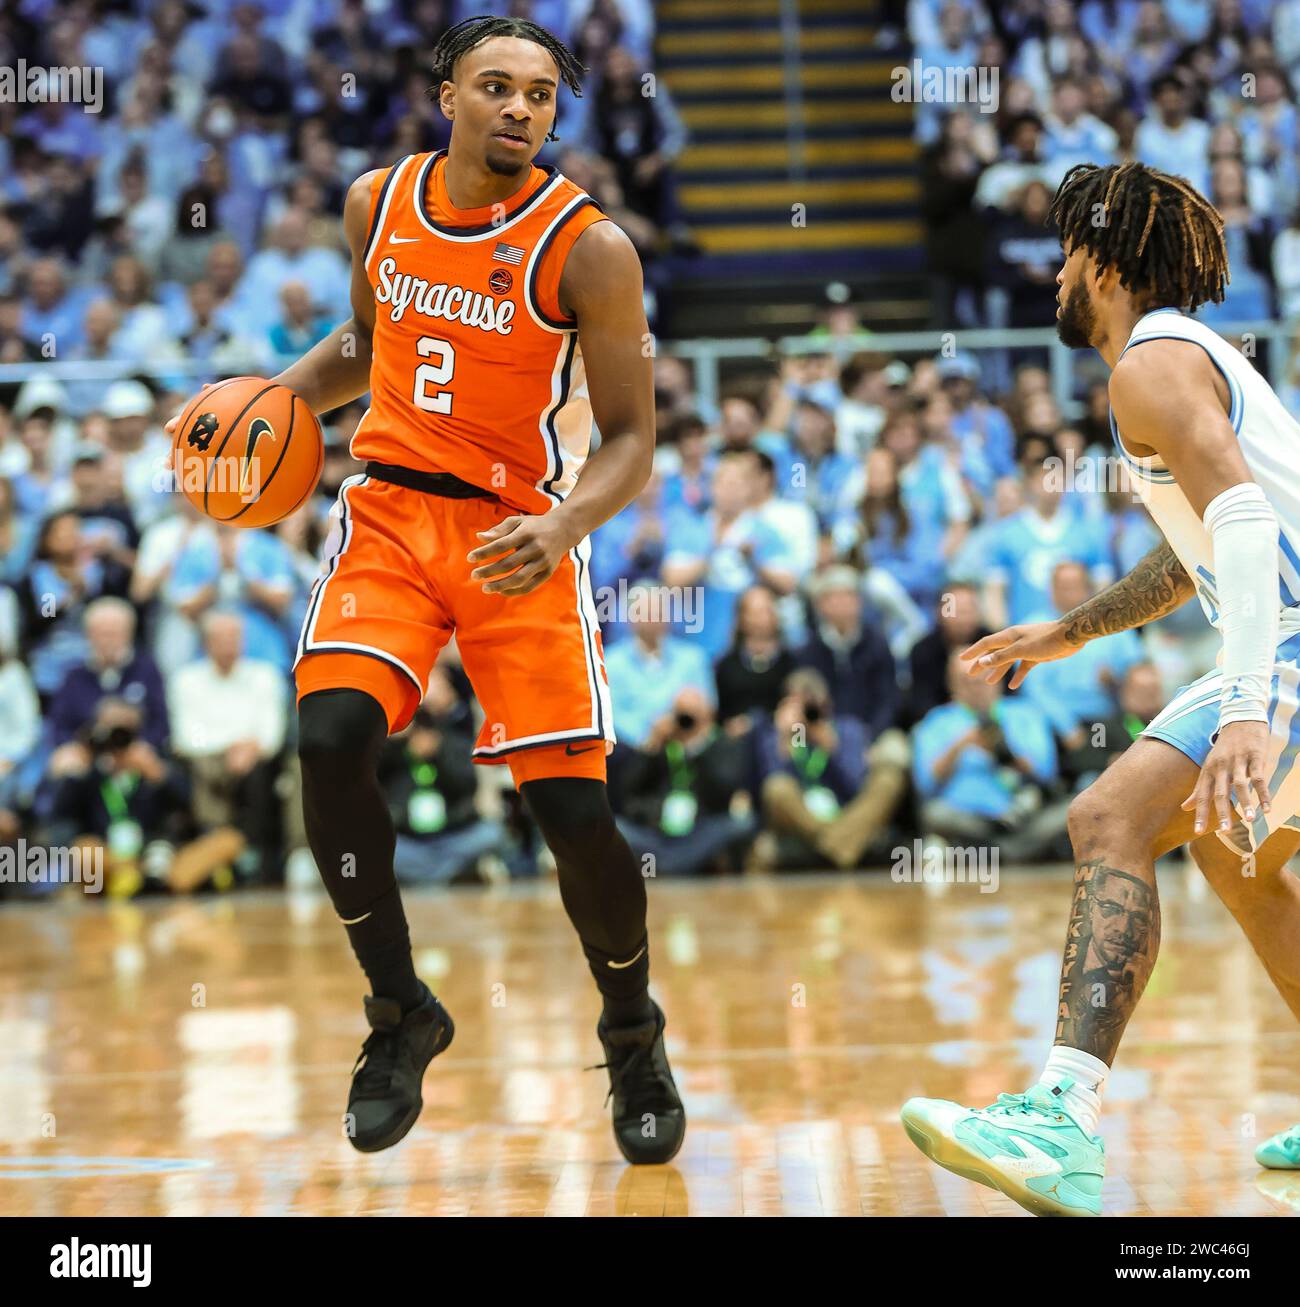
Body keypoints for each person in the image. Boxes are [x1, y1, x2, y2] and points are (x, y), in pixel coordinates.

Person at [168, 16, 684, 1163]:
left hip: (517, 535)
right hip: (390, 514)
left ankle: (632, 1029)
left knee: (575, 820)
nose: (520, 109)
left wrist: (562, 526)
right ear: (444, 94)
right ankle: (401, 1011)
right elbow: (368, 342)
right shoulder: (376, 203)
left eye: (541, 95)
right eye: (495, 87)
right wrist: (267, 404)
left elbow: (633, 438)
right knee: (327, 733)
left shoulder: (590, 249)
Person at [902, 159, 1300, 1216]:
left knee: (1107, 815)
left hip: (1293, 646)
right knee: (1228, 848)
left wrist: (1248, 709)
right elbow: (1200, 548)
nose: (1055, 274)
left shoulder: (1153, 366)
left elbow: (1249, 531)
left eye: (1069, 252)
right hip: (1282, 638)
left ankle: (1061, 1120)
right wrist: (1076, 629)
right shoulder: (1183, 365)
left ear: (1108, 262)